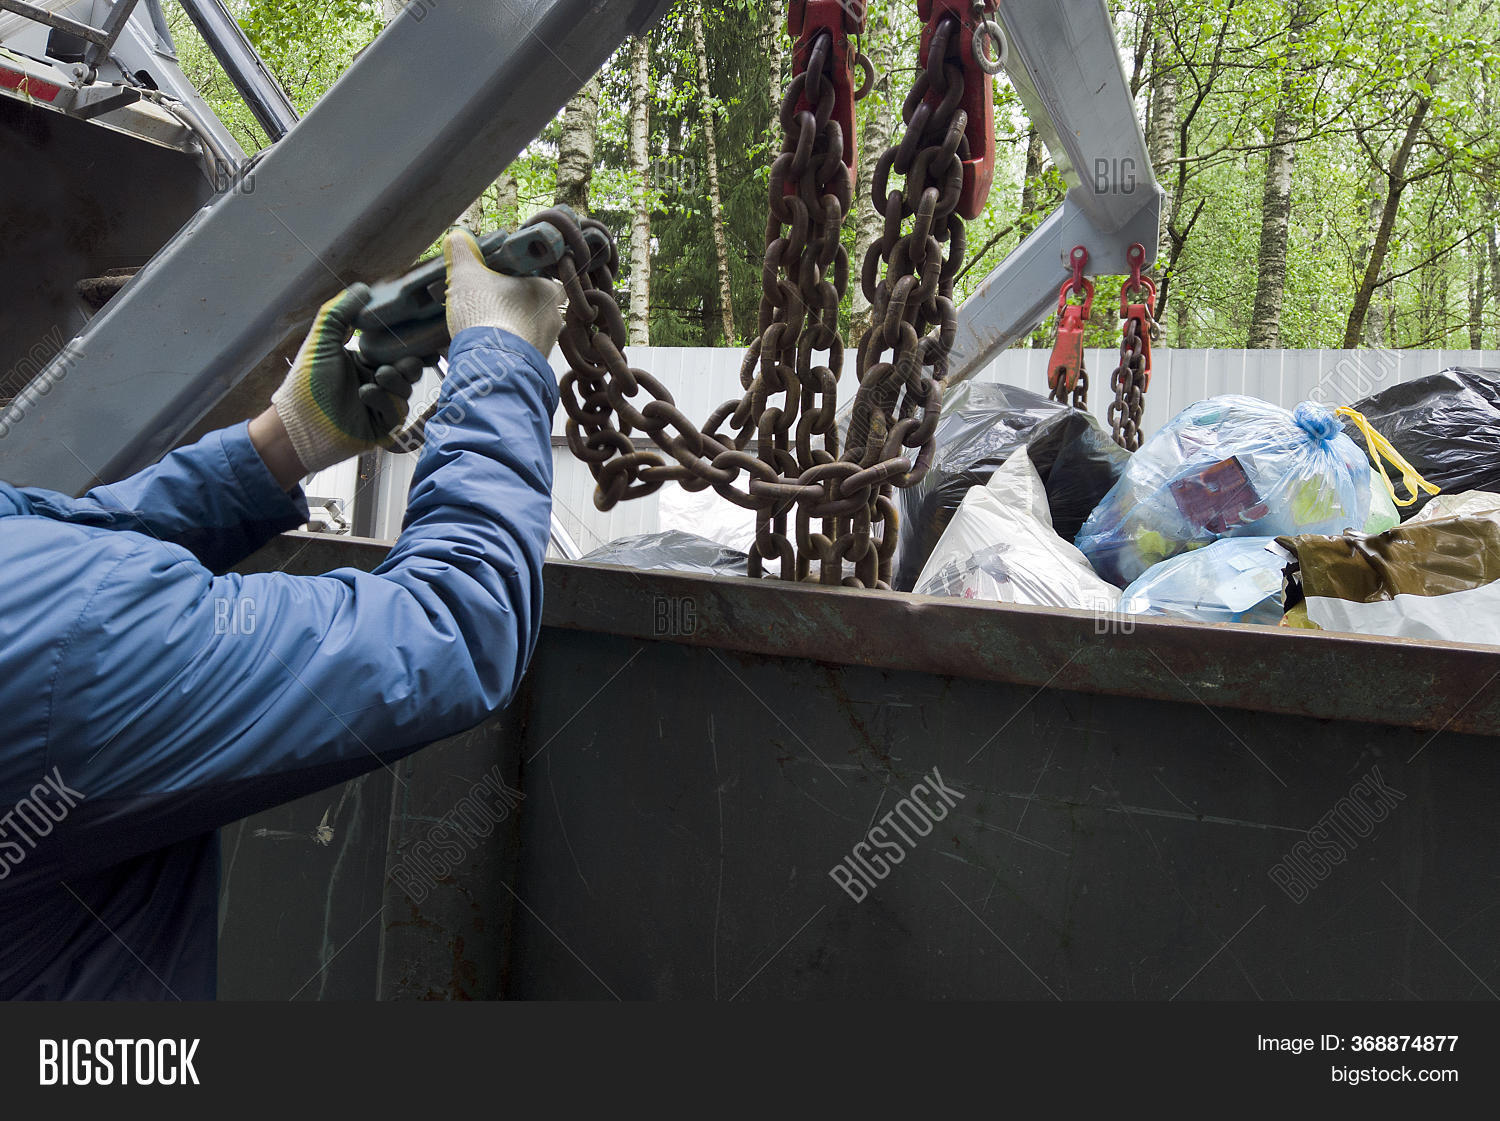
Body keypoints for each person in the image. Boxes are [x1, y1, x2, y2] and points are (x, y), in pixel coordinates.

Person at [0, 229, 564, 999]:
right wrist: (501, 364)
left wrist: (283, 441)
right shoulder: (66, 653)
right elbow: (452, 625)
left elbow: (54, 550)